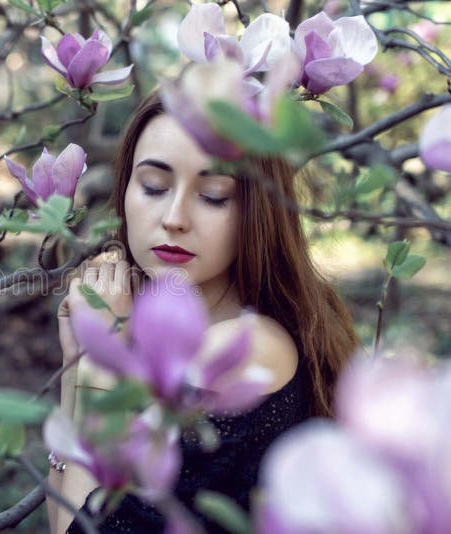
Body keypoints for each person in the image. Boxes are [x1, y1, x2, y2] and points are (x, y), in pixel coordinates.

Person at [47, 92, 359, 533]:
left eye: (214, 195)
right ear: (125, 192)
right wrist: (74, 360)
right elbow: (65, 513)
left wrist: (99, 363)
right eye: (153, 186)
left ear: (257, 212)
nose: (174, 217)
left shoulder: (244, 347)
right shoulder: (172, 335)